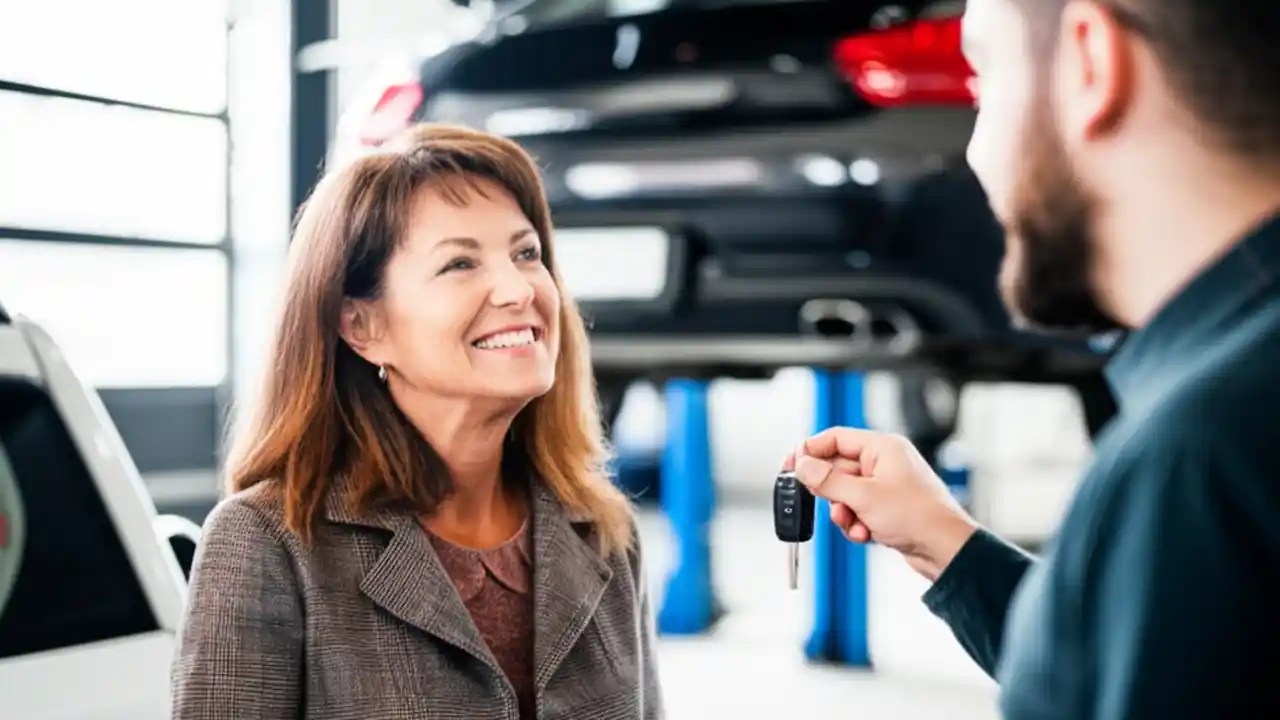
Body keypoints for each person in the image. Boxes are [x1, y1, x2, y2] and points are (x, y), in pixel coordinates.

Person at [787, 0, 1280, 717]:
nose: (976, 153)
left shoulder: (1196, 466)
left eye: (984, 80)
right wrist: (949, 549)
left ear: (1090, 61)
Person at [171, 124, 663, 719]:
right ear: (363, 328)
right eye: (460, 263)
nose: (517, 289)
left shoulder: (607, 533)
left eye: (526, 253)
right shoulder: (268, 542)